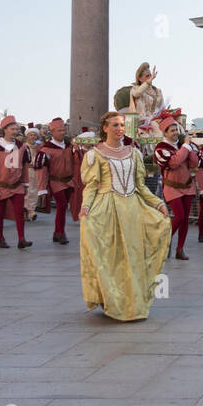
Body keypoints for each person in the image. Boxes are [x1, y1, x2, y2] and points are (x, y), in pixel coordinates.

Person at [79, 111, 172, 322]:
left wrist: (158, 203)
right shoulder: (96, 154)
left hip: (132, 209)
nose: (120, 129)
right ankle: (112, 300)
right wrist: (86, 206)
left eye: (122, 125)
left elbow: (140, 186)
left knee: (134, 256)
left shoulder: (134, 153)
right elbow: (92, 186)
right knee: (111, 257)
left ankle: (133, 301)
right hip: (108, 207)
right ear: (105, 128)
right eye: (115, 125)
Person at [0, 116, 32, 250]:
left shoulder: (21, 147)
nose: (15, 131)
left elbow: (25, 166)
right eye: (12, 128)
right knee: (0, 213)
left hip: (17, 185)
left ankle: (21, 238)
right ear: (4, 130)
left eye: (16, 128)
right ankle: (0, 238)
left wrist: (25, 183)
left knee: (19, 212)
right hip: (1, 186)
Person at [153, 115, 199, 261]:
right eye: (172, 130)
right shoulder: (160, 149)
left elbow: (194, 163)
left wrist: (189, 148)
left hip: (187, 185)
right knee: (179, 216)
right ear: (165, 133)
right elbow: (174, 163)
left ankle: (180, 249)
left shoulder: (182, 146)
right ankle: (164, 241)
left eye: (176, 129)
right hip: (172, 187)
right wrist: (185, 147)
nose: (175, 132)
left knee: (185, 219)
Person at [35, 118, 77, 245]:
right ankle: (61, 233)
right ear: (52, 132)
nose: (62, 133)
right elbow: (41, 169)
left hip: (68, 181)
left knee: (63, 207)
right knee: (62, 205)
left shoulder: (69, 146)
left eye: (64, 130)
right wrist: (42, 188)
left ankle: (56, 233)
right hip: (55, 182)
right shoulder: (46, 149)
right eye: (59, 130)